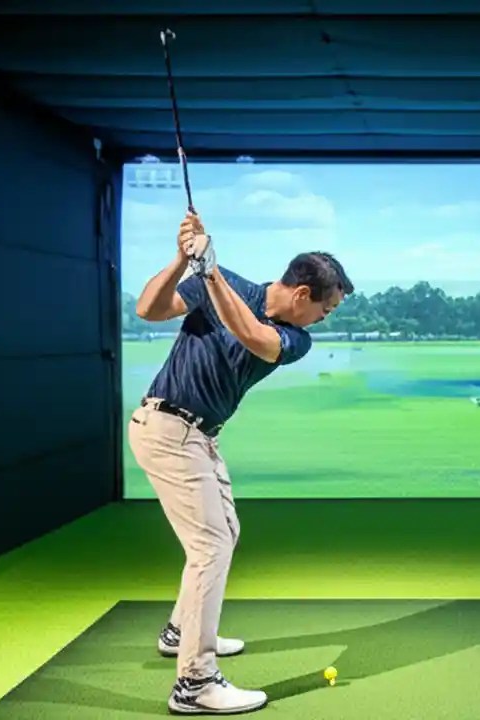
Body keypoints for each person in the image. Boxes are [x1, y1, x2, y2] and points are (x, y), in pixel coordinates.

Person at [129, 212, 352, 715]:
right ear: (302, 295)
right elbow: (149, 308)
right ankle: (194, 682)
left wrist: (208, 270)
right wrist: (183, 260)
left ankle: (178, 631)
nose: (325, 319)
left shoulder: (295, 339)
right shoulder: (223, 281)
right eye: (327, 308)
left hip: (199, 437)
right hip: (166, 428)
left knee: (223, 535)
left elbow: (252, 334)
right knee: (210, 545)